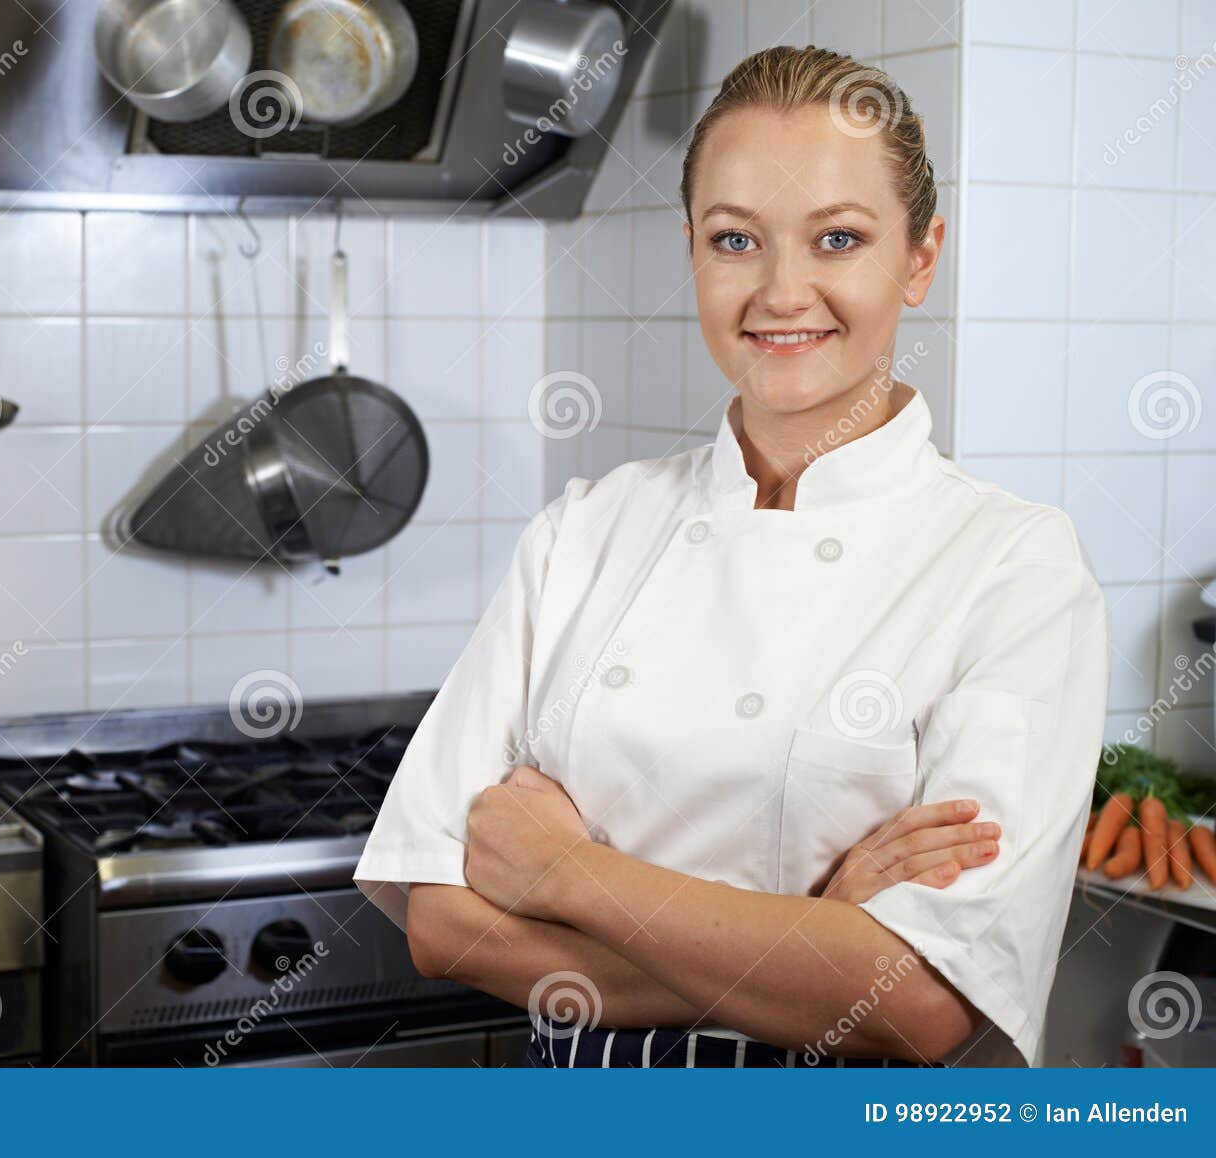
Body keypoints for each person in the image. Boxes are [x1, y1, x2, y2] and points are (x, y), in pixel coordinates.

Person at [353, 45, 1109, 1068]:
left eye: (837, 238)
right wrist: (815, 924)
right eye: (735, 239)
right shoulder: (585, 530)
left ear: (920, 258)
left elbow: (922, 1005)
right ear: (694, 253)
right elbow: (440, 926)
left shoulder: (1012, 567)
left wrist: (562, 872)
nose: (782, 291)